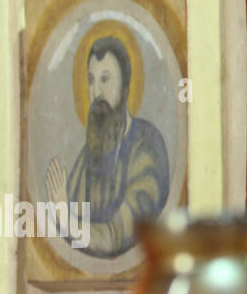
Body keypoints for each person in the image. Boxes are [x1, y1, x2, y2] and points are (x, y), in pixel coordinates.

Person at [47, 35, 171, 258]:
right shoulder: (88, 155)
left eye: (105, 79)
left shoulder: (147, 146)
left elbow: (117, 236)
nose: (96, 93)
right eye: (91, 80)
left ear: (125, 87)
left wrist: (66, 219)